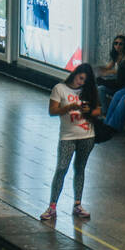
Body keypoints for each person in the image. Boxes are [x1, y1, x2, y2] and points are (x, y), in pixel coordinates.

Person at [39, 63, 103, 222]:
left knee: (80, 168)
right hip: (67, 136)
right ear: (75, 74)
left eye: (85, 80)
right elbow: (52, 111)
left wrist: (89, 111)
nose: (82, 82)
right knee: (61, 168)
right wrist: (69, 107)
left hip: (87, 135)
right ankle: (52, 206)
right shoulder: (60, 89)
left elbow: (99, 110)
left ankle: (77, 204)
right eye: (81, 78)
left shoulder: (90, 91)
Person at [97, 34, 125, 110]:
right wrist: (97, 68)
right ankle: (104, 110)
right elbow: (108, 67)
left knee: (99, 81)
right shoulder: (116, 55)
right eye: (116, 43)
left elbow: (118, 72)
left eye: (120, 44)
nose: (117, 46)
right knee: (99, 86)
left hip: (123, 84)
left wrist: (108, 72)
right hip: (116, 82)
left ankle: (104, 111)